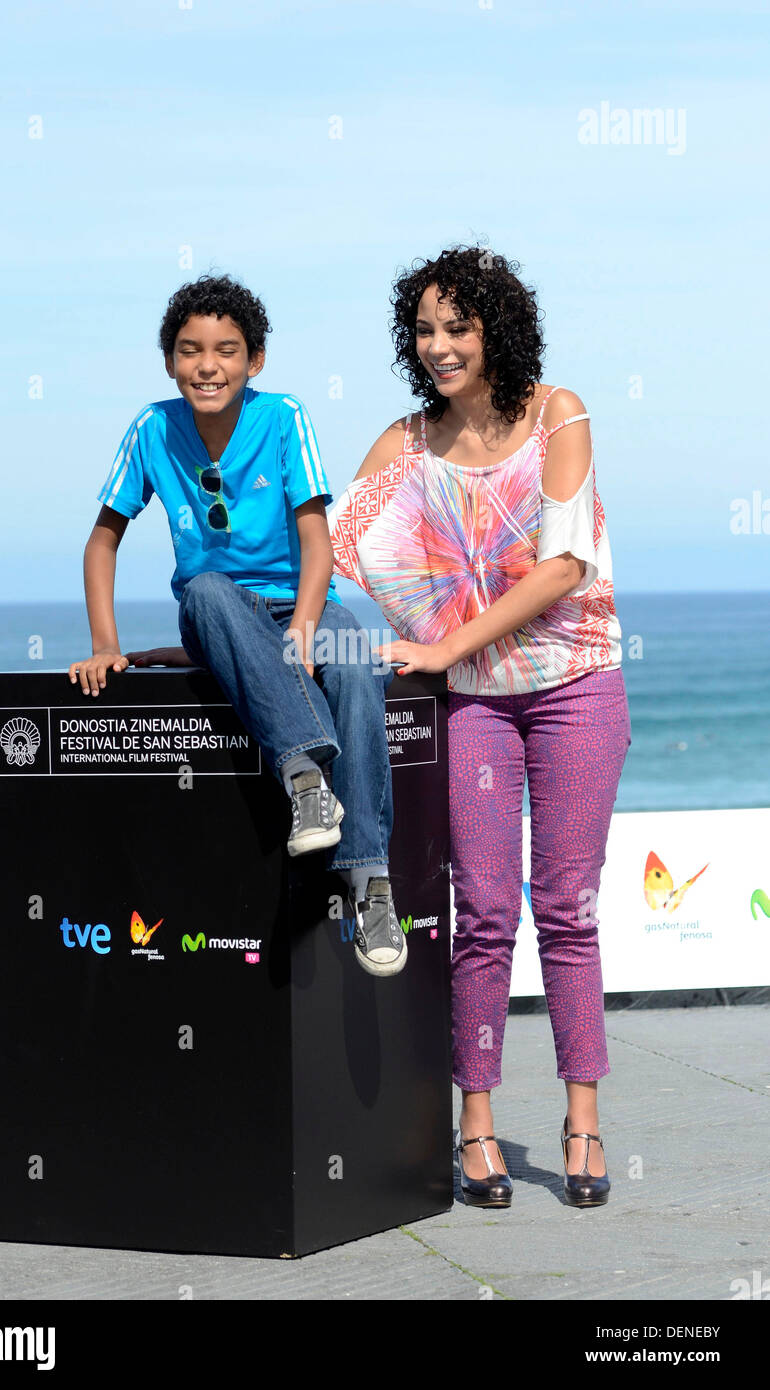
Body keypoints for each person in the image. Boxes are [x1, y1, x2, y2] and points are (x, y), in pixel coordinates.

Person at [329, 246, 630, 1201]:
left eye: (457, 327)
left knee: (568, 910)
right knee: (485, 914)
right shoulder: (405, 444)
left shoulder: (559, 414)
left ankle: (583, 1124)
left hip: (577, 687)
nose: (440, 346)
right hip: (477, 711)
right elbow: (323, 552)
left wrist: (443, 645)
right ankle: (477, 1127)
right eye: (424, 331)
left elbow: (562, 568)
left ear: (496, 327)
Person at [68, 274, 406, 977]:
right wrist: (106, 645)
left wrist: (306, 626)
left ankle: (369, 880)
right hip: (219, 613)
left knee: (355, 662)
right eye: (190, 351)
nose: (207, 365)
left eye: (226, 350)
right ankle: (305, 778)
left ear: (254, 360)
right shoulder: (152, 428)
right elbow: (102, 541)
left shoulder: (285, 417)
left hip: (302, 604)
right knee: (208, 587)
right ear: (170, 362)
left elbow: (319, 540)